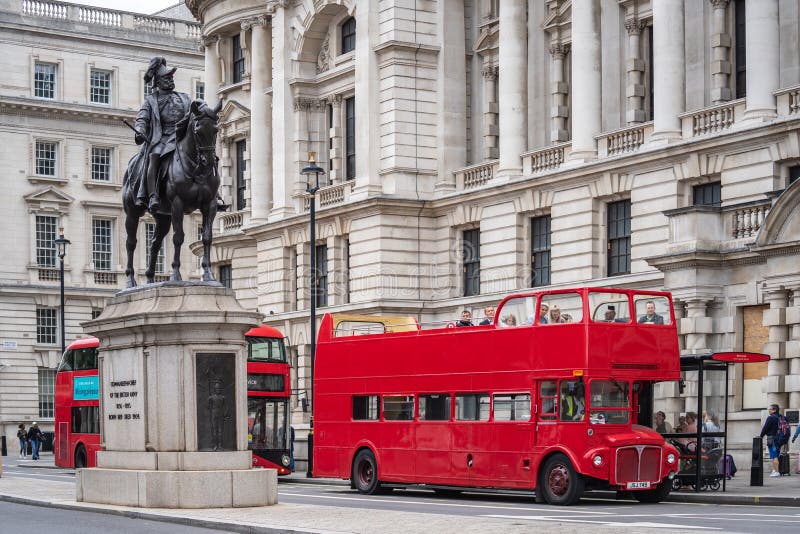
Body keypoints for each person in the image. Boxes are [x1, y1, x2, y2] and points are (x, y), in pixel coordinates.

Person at [131, 57, 192, 213]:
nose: (170, 79)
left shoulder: (184, 98)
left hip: (181, 137)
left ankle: (214, 194)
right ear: (157, 81)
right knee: (155, 156)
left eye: (171, 76)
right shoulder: (151, 100)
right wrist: (140, 131)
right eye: (166, 77)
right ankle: (152, 196)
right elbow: (142, 119)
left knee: (206, 152)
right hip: (162, 137)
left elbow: (194, 115)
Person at [759, 404, 782, 477]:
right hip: (779, 438)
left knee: (774, 455)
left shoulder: (771, 418)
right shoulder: (780, 417)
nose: (769, 410)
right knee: (776, 455)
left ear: (774, 410)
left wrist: (760, 436)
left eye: (770, 409)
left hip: (772, 438)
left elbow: (765, 428)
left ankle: (777, 472)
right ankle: (775, 470)